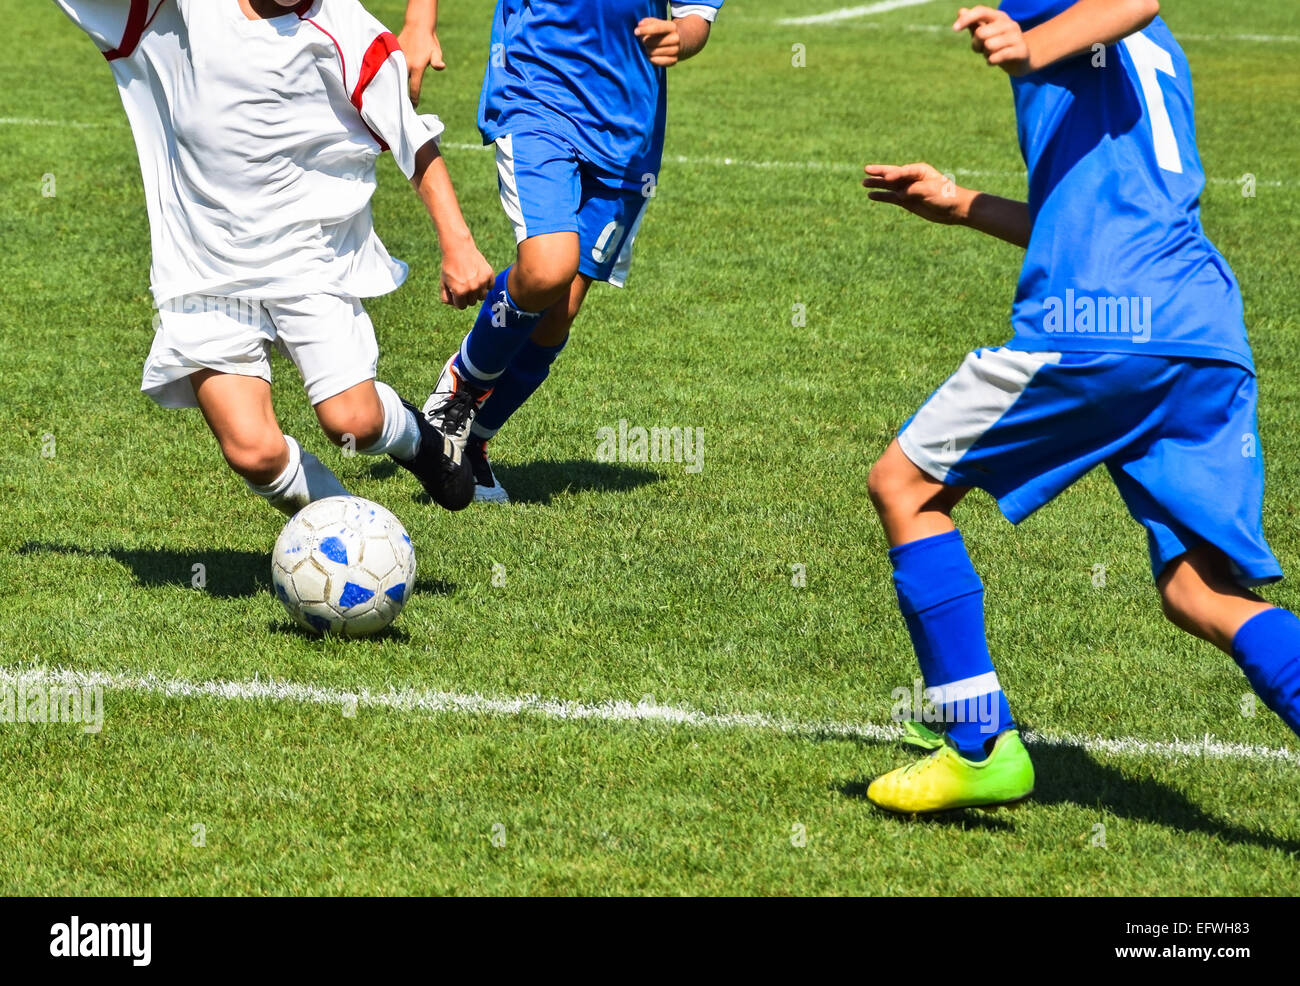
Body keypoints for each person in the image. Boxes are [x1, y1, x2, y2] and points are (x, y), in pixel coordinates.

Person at [861, 0, 1300, 812]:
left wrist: (1029, 48)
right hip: (1201, 333)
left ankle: (979, 745)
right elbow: (1090, 219)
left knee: (905, 486)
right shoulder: (1149, 58)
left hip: (1105, 325)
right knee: (1200, 593)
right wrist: (960, 203)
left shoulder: (1084, 29)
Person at [53, 0, 495, 516]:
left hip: (306, 260)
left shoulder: (344, 29)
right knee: (253, 451)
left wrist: (458, 243)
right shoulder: (174, 11)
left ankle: (417, 439)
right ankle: (350, 535)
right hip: (203, 269)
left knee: (353, 423)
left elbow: (411, 138)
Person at [402, 0, 723, 502]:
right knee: (549, 268)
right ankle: (461, 384)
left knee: (558, 313)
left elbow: (697, 18)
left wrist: (681, 36)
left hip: (628, 134)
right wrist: (419, 25)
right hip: (536, 93)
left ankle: (470, 443)